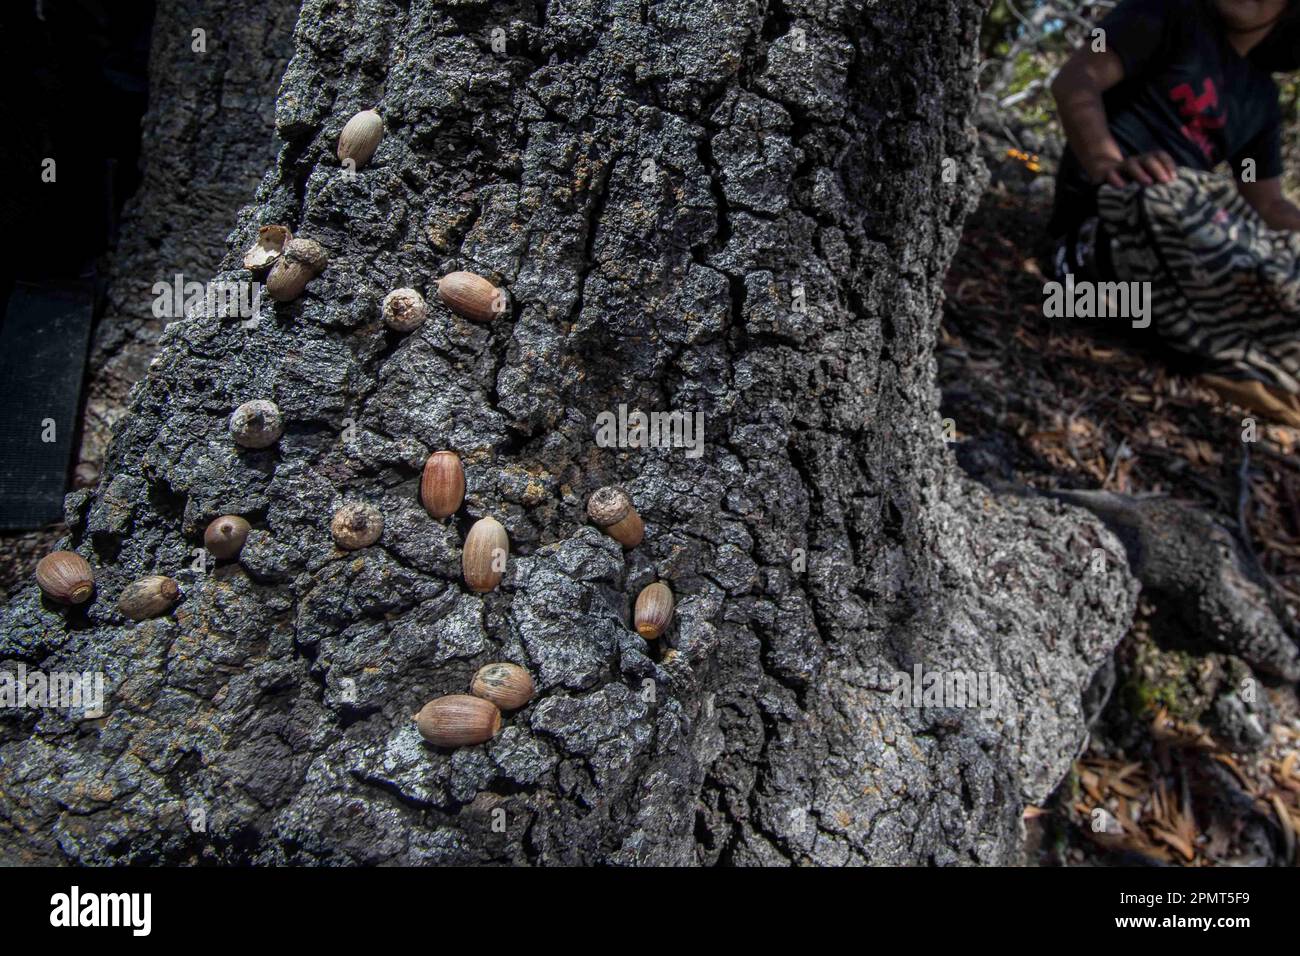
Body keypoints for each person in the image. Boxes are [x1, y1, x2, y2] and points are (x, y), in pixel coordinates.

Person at [1050, 0, 1300, 421]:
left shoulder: (1261, 97)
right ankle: (1242, 361)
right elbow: (1076, 81)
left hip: (1177, 263)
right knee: (1164, 196)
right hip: (1094, 245)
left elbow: (1270, 204)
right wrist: (1108, 164)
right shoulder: (1167, 14)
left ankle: (1260, 369)